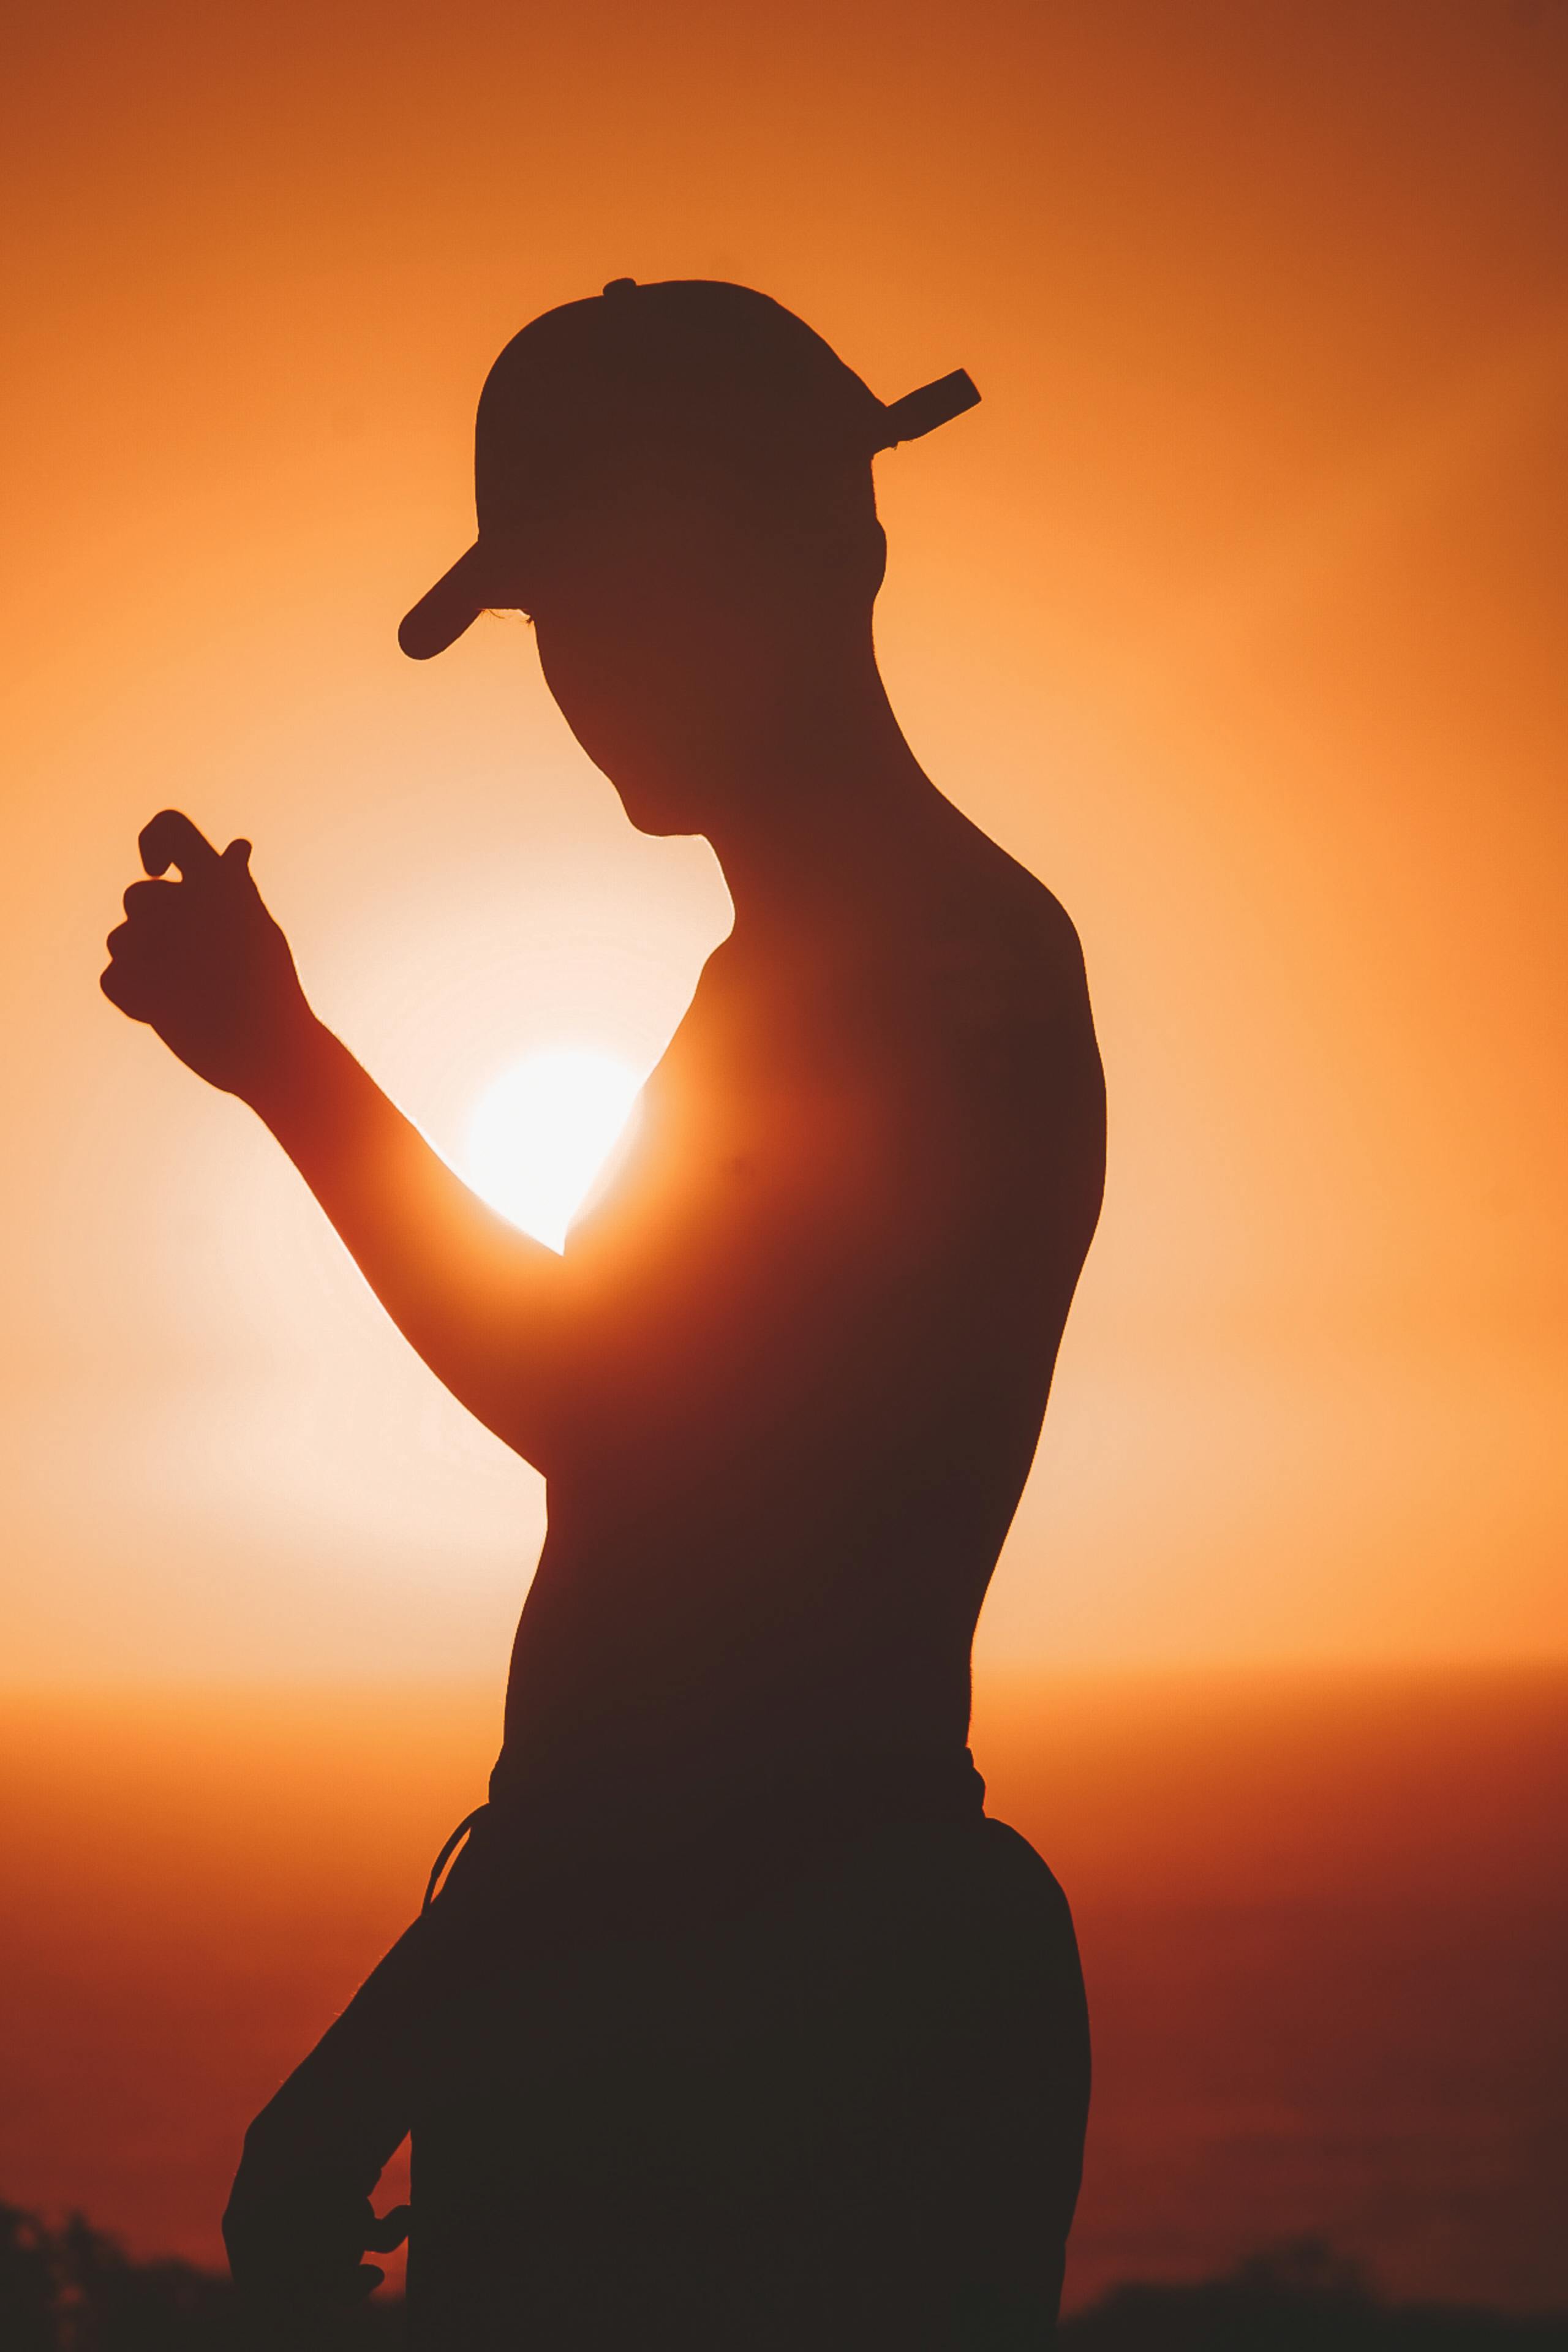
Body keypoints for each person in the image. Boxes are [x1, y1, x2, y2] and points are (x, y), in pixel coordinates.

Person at [101, 278, 1106, 2348]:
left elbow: (655, 1494)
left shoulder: (927, 975)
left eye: (624, 601)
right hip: (724, 1973)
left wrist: (286, 1061)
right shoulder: (856, 967)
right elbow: (662, 1571)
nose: (587, 679)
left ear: (832, 554)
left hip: (759, 2029)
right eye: (557, 624)